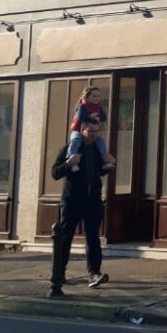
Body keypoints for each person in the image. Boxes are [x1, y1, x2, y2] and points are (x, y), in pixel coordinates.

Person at [48, 120, 110, 297]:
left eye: (96, 132)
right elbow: (55, 173)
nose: (93, 135)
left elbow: (99, 171)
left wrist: (108, 167)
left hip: (92, 199)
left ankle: (94, 273)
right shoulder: (70, 148)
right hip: (72, 199)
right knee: (65, 235)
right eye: (90, 131)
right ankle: (58, 273)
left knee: (93, 236)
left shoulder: (97, 149)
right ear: (82, 130)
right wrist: (68, 163)